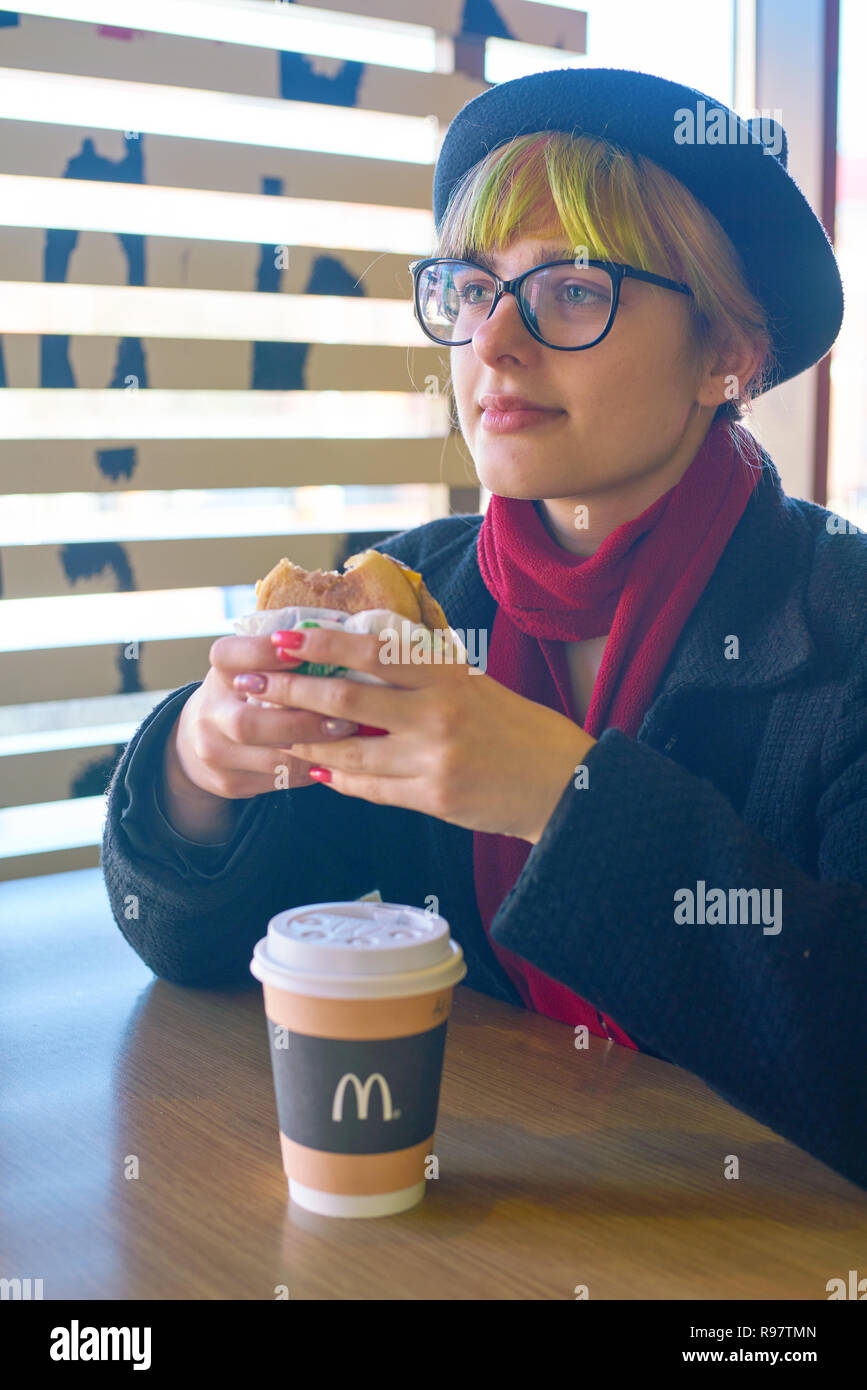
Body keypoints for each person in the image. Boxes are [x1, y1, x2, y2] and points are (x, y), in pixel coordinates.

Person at [102, 68, 866, 1190]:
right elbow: (198, 944)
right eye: (471, 290)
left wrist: (562, 796)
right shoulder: (414, 598)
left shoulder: (839, 631)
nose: (493, 343)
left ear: (726, 354)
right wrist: (200, 773)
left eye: (570, 290)